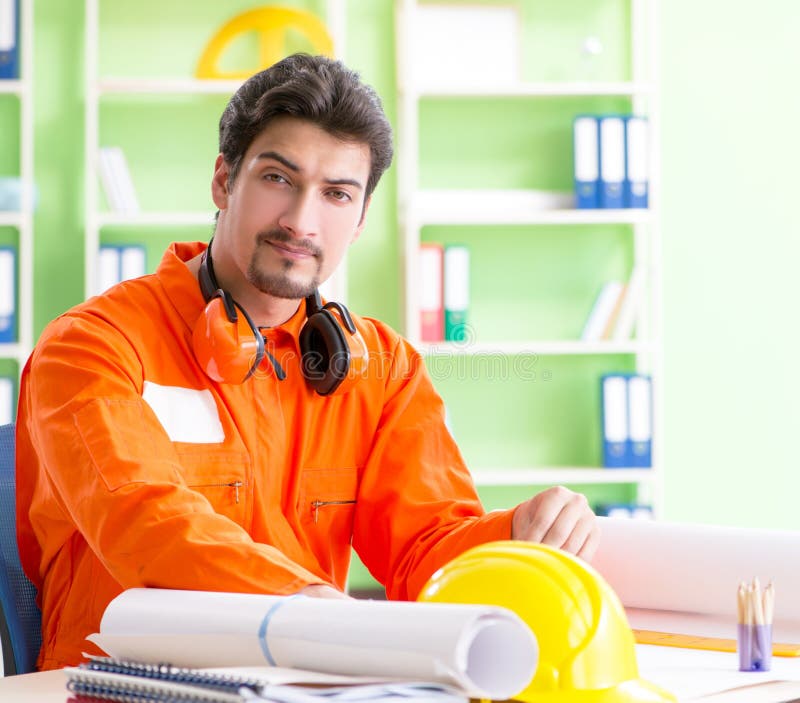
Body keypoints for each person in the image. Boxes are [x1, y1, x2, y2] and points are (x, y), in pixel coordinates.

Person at [16, 53, 599, 671]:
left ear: (361, 218)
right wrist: (317, 608)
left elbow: (424, 553)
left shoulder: (383, 368)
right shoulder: (92, 347)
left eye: (336, 194)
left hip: (307, 679)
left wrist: (516, 536)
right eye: (277, 179)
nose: (301, 221)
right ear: (223, 180)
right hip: (125, 684)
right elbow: (147, 525)